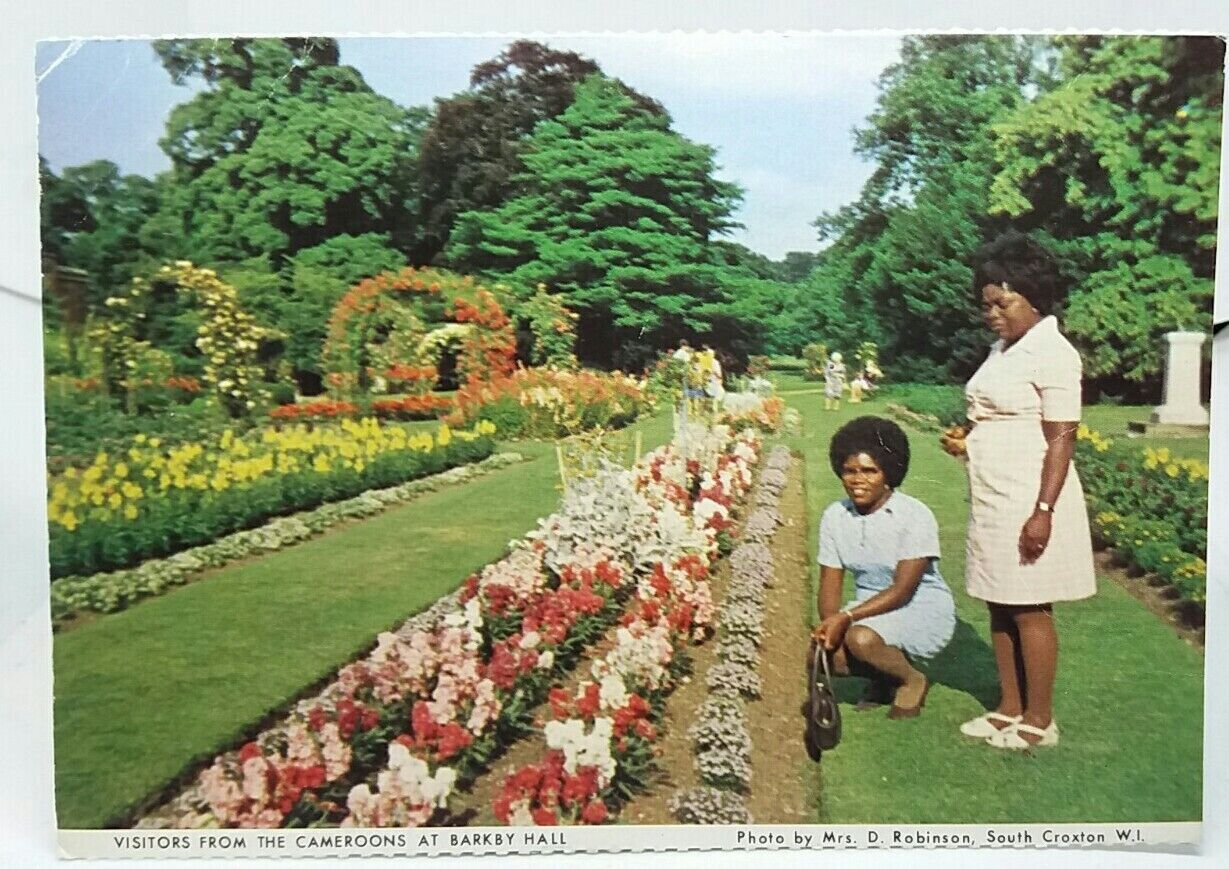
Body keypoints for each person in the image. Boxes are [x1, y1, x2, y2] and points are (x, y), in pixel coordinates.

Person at [941, 230, 1095, 750]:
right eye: (986, 304)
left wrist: (1043, 511)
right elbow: (995, 415)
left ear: (1032, 296)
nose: (991, 313)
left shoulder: (1054, 352)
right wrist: (967, 439)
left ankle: (1040, 719)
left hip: (1031, 495)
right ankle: (1008, 706)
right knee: (998, 601)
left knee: (1030, 606)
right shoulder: (1003, 349)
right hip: (992, 494)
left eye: (1001, 303)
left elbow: (1061, 438)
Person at [813, 416, 956, 718]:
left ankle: (912, 679)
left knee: (860, 638)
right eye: (849, 471)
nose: (857, 480)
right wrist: (830, 627)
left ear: (888, 472)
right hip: (869, 606)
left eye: (869, 471)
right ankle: (883, 677)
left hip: (921, 605)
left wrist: (847, 617)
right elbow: (830, 584)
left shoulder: (914, 515)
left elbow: (903, 590)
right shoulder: (835, 516)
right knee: (825, 653)